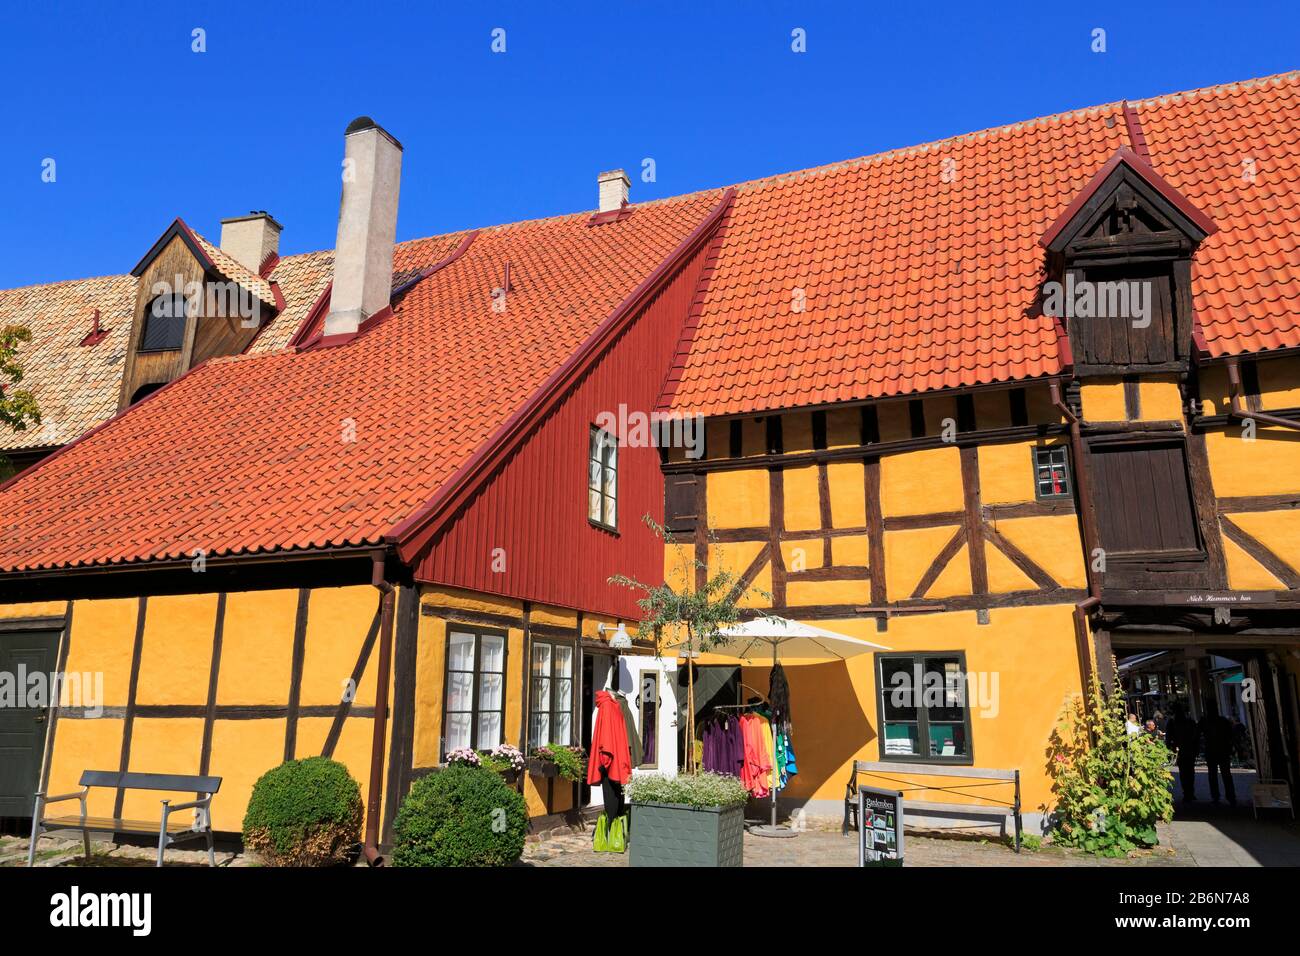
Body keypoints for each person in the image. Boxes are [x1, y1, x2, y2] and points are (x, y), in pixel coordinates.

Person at [1201, 701, 1237, 807]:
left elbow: (1198, 733)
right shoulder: (1223, 721)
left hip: (1213, 751)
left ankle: (1217, 796)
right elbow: (1231, 735)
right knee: (1225, 774)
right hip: (1221, 750)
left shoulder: (1206, 721)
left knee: (1214, 775)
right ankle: (1230, 796)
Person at [1165, 705, 1200, 803]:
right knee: (1189, 772)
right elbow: (1195, 736)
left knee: (1184, 773)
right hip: (1188, 750)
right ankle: (1190, 792)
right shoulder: (1189, 722)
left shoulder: (1172, 723)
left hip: (1181, 751)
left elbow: (1168, 738)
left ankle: (1187, 792)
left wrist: (1169, 749)